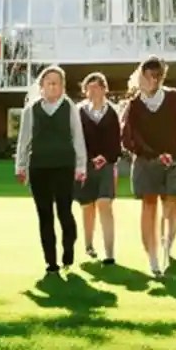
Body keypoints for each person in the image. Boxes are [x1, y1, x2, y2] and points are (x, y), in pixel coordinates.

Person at [121, 55, 176, 278]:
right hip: (146, 162)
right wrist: (153, 155)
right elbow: (129, 138)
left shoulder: (174, 98)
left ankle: (167, 246)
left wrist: (172, 153)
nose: (154, 80)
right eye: (150, 75)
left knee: (171, 206)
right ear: (142, 76)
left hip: (175, 160)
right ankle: (152, 258)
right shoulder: (133, 105)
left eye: (158, 75)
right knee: (149, 206)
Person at [14, 65, 88, 274]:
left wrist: (81, 166)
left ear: (62, 86)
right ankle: (51, 261)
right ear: (42, 86)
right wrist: (20, 167)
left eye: (57, 83)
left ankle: (68, 249)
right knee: (44, 215)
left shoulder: (69, 107)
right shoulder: (32, 110)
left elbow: (78, 137)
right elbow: (24, 140)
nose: (53, 86)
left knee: (64, 212)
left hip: (64, 166)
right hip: (39, 167)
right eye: (49, 83)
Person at [76, 72, 121, 265]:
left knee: (104, 204)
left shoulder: (112, 112)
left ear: (104, 89)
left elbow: (116, 141)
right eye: (90, 87)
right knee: (87, 207)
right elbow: (76, 140)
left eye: (98, 87)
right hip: (85, 166)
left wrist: (106, 157)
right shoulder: (78, 112)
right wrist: (88, 158)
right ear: (85, 91)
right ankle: (88, 245)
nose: (94, 91)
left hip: (106, 166)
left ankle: (109, 253)